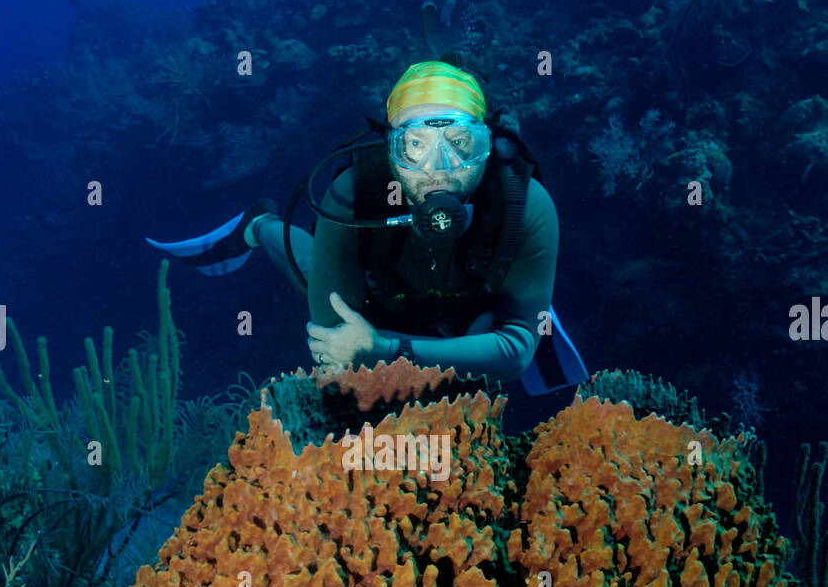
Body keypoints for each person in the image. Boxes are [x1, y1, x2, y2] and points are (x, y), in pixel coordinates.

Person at [147, 59, 587, 394]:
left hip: (466, 304)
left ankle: (523, 308)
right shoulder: (353, 196)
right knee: (308, 267)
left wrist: (384, 349)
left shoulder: (526, 205)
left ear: (488, 147)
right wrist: (366, 349)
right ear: (390, 150)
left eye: (460, 144)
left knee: (493, 330)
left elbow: (513, 353)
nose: (439, 170)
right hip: (376, 300)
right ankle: (260, 224)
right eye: (414, 145)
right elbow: (333, 345)